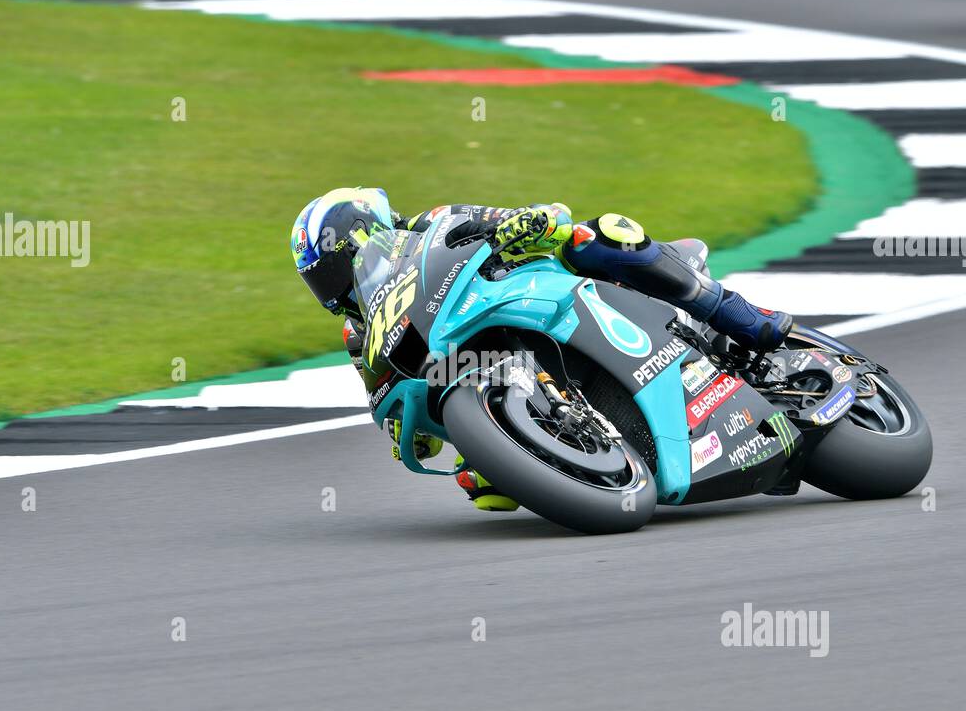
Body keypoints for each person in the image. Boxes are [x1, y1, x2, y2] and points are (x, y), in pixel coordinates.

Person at [291, 187, 794, 511]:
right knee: (485, 492)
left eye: (332, 267)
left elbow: (526, 216)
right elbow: (389, 404)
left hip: (536, 288)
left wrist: (526, 224)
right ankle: (574, 449)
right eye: (319, 279)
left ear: (367, 232)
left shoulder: (434, 224)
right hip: (473, 367)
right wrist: (406, 427)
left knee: (601, 233)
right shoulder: (361, 336)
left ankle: (744, 318)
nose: (330, 286)